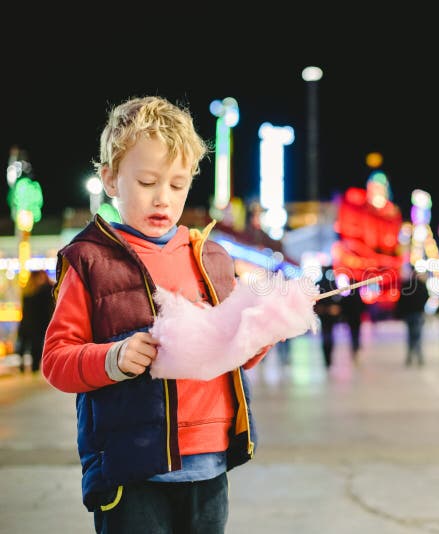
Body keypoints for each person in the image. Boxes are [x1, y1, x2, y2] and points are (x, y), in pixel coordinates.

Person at [41, 96, 270, 534]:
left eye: (178, 184)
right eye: (147, 181)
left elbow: (231, 354)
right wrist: (113, 358)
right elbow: (56, 361)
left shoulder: (212, 257)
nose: (163, 198)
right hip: (133, 470)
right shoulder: (89, 260)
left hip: (209, 462)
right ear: (109, 178)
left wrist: (256, 337)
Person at [16, 269, 55, 373]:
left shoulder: (27, 292)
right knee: (36, 346)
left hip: (26, 323)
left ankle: (22, 365)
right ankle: (34, 367)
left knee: (24, 345)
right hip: (38, 324)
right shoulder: (43, 291)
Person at [395, 266, 429, 366]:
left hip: (409, 314)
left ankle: (410, 355)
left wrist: (402, 312)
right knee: (417, 335)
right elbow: (426, 297)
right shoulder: (422, 285)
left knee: (410, 335)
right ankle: (418, 356)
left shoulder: (407, 285)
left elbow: (401, 301)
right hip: (418, 314)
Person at [315, 267, 343, 370]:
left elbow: (338, 299)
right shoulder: (326, 284)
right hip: (325, 315)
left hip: (329, 316)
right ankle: (327, 358)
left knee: (329, 336)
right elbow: (315, 300)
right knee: (327, 336)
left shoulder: (333, 284)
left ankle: (328, 358)